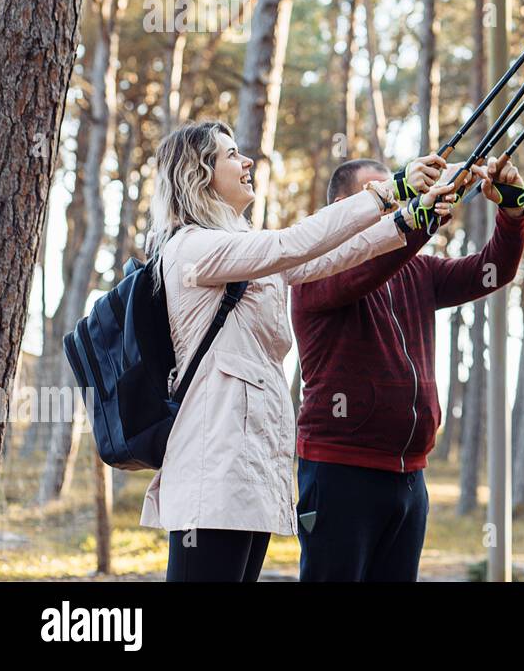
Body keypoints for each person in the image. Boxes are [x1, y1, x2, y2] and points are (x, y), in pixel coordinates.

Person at [140, 120, 448, 581]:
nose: (247, 162)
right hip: (212, 473)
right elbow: (291, 244)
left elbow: (329, 258)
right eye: (230, 155)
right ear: (199, 174)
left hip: (249, 473)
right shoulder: (193, 248)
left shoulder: (240, 248)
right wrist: (389, 192)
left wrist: (410, 218)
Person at [289, 154, 524, 581]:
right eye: (381, 196)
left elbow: (491, 273)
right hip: (340, 471)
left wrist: (511, 213)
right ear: (339, 210)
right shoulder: (315, 270)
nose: (395, 204)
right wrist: (420, 221)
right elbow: (366, 268)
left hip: (409, 477)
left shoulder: (415, 268)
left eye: (401, 193)